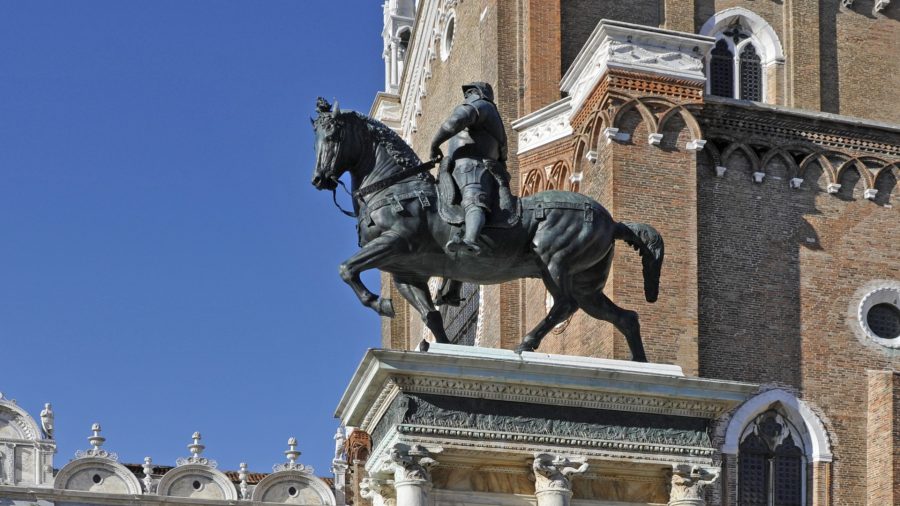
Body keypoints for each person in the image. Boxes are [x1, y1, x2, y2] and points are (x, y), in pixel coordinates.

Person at [430, 82, 512, 255]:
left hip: (473, 168)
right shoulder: (495, 122)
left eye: (469, 93)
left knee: (473, 200)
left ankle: (470, 240)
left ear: (478, 93)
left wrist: (434, 144)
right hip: (456, 168)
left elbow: (455, 122)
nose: (467, 97)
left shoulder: (482, 106)